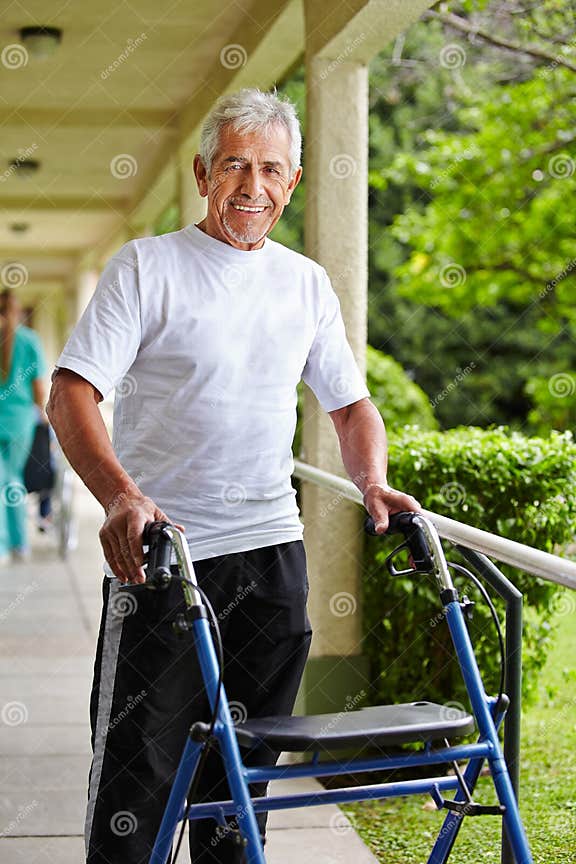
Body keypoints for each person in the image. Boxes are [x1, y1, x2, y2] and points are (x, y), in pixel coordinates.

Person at [47, 88, 420, 863]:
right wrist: (122, 496)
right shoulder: (147, 267)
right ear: (202, 173)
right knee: (136, 779)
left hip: (271, 558)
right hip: (162, 559)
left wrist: (372, 481)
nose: (253, 186)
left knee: (243, 782)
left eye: (271, 169)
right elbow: (71, 393)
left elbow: (351, 407)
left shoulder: (305, 283)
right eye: (235, 166)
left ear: (295, 181)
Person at [0, 289, 47, 563]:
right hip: (20, 421)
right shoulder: (29, 340)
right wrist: (42, 411)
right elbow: (38, 386)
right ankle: (19, 543)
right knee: (12, 479)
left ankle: (3, 545)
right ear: (17, 311)